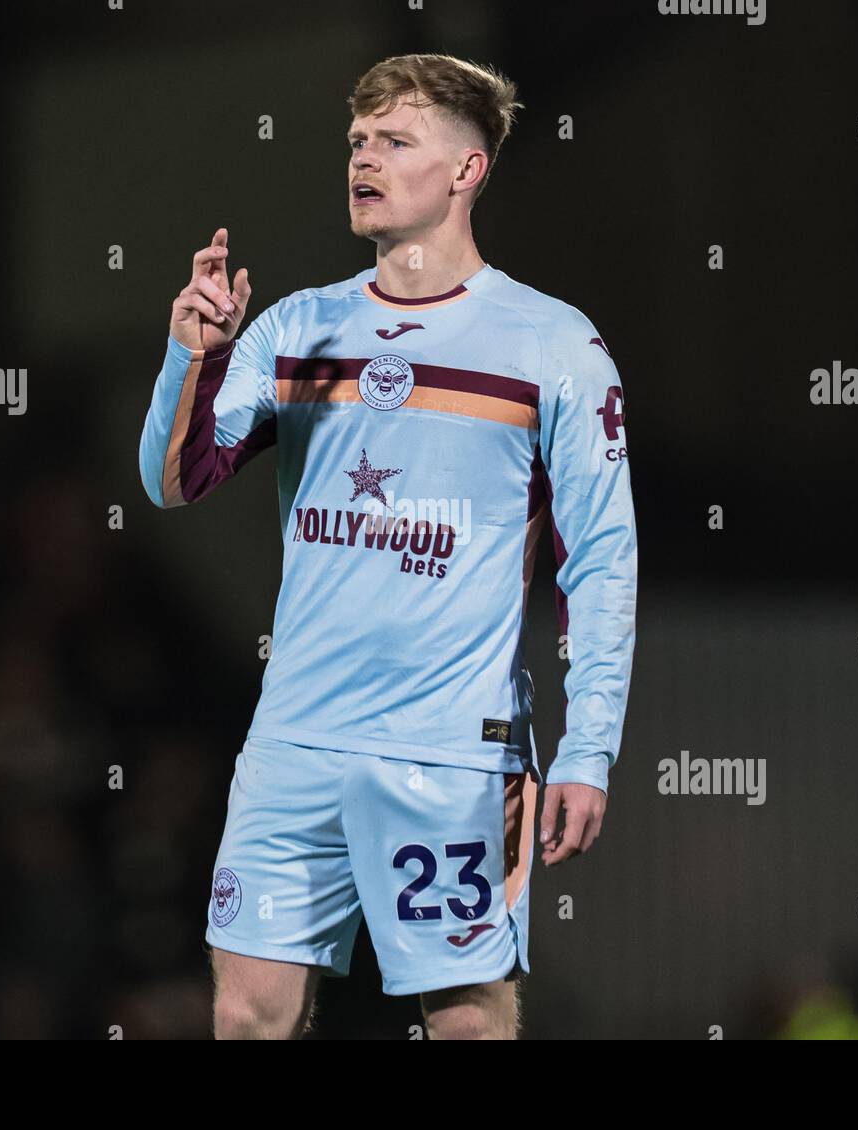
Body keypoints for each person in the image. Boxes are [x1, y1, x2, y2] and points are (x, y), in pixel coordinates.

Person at [138, 53, 637, 1040]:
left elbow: (602, 555)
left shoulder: (552, 345)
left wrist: (590, 743)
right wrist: (190, 354)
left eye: (395, 140)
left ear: (466, 171)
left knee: (463, 1021)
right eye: (357, 140)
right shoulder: (297, 326)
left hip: (450, 746)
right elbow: (175, 477)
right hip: (296, 736)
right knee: (245, 1015)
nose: (364, 158)